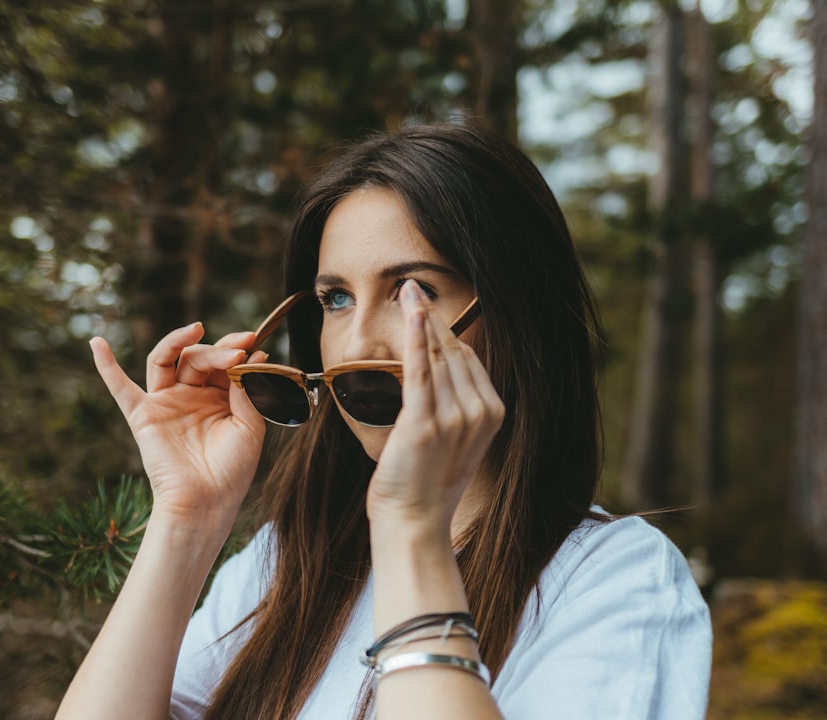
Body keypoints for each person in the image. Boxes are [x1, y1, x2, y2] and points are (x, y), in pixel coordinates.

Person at [55, 121, 712, 720]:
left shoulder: (614, 579)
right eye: (336, 298)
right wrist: (186, 519)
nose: (357, 343)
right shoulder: (283, 564)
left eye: (413, 290)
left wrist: (412, 527)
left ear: (517, 315)